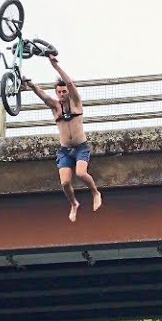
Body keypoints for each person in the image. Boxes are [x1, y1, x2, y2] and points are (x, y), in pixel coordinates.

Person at [24, 55, 102, 222]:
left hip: (81, 147)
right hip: (65, 151)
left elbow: (71, 84)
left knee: (81, 173)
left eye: (64, 91)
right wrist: (30, 85)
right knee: (65, 183)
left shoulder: (76, 103)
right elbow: (43, 96)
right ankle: (74, 204)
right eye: (58, 92)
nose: (61, 94)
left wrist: (55, 66)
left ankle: (95, 192)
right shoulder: (55, 107)